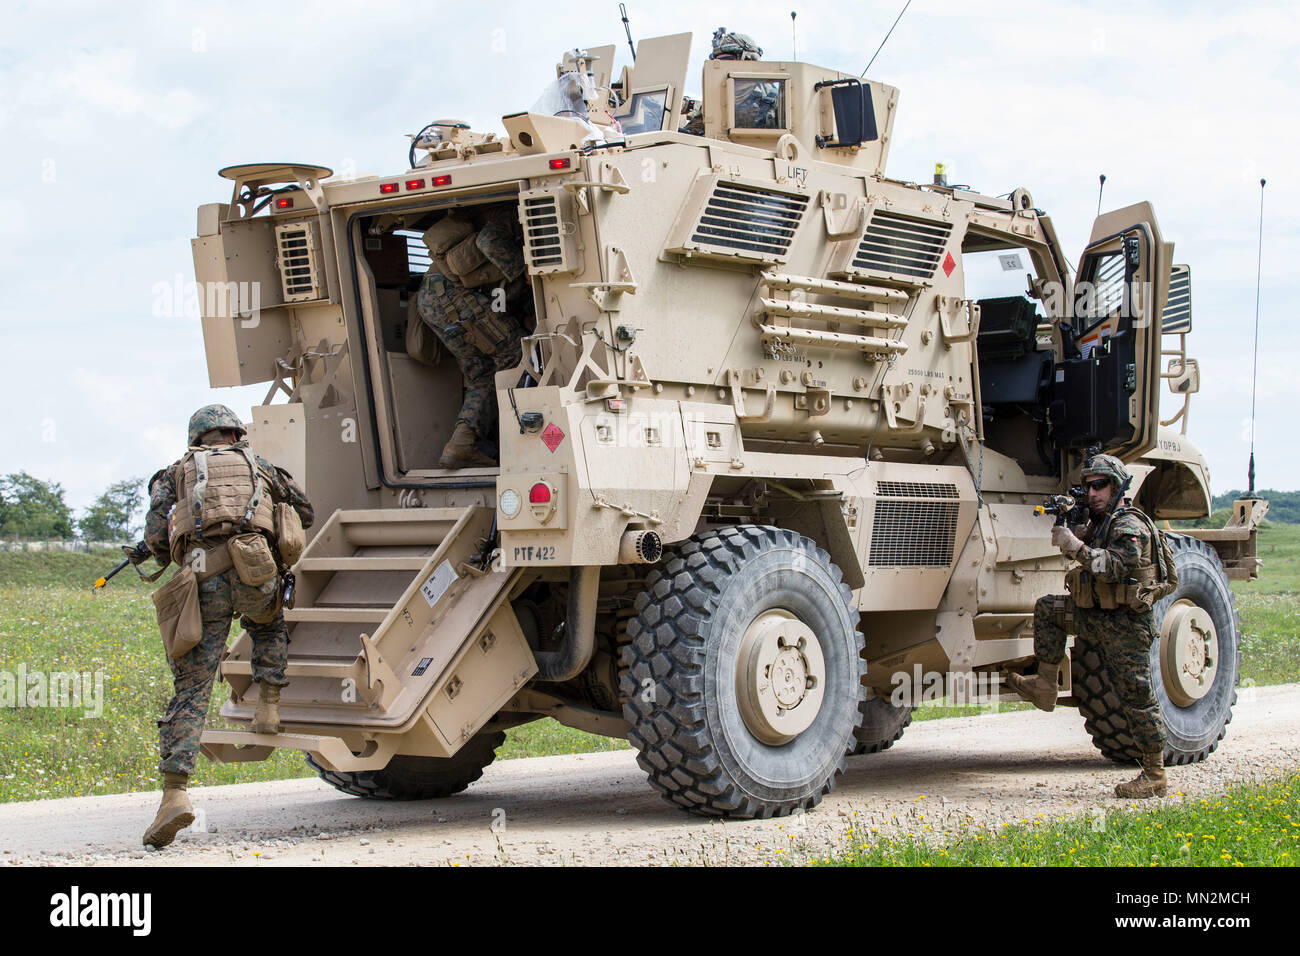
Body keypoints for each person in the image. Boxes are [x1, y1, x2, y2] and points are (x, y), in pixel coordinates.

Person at [139, 404, 314, 848]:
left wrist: (158, 549)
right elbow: (304, 512)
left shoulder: (173, 473)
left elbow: (160, 541)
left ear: (195, 438)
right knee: (269, 622)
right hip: (258, 573)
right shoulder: (262, 466)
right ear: (237, 435)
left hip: (206, 584)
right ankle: (269, 704)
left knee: (192, 688)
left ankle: (175, 792)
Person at [1007, 453, 1169, 799]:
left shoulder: (1129, 525)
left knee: (1136, 697)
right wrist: (1078, 534)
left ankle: (1154, 774)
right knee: (1049, 610)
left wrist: (1076, 546)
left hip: (1126, 626)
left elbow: (1114, 567)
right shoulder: (1103, 522)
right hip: (1098, 617)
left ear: (1118, 487)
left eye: (1100, 486)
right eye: (1088, 486)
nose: (1092, 492)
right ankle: (1045, 686)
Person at [417, 205, 530, 468]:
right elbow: (487, 241)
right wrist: (523, 271)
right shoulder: (509, 213)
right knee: (517, 354)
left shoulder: (483, 216)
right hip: (453, 298)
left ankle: (461, 446)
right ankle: (518, 448)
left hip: (432, 300)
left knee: (482, 375)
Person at [709, 28, 782, 130]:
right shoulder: (715, 95)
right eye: (717, 62)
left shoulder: (774, 98)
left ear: (748, 60)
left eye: (727, 61)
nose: (721, 68)